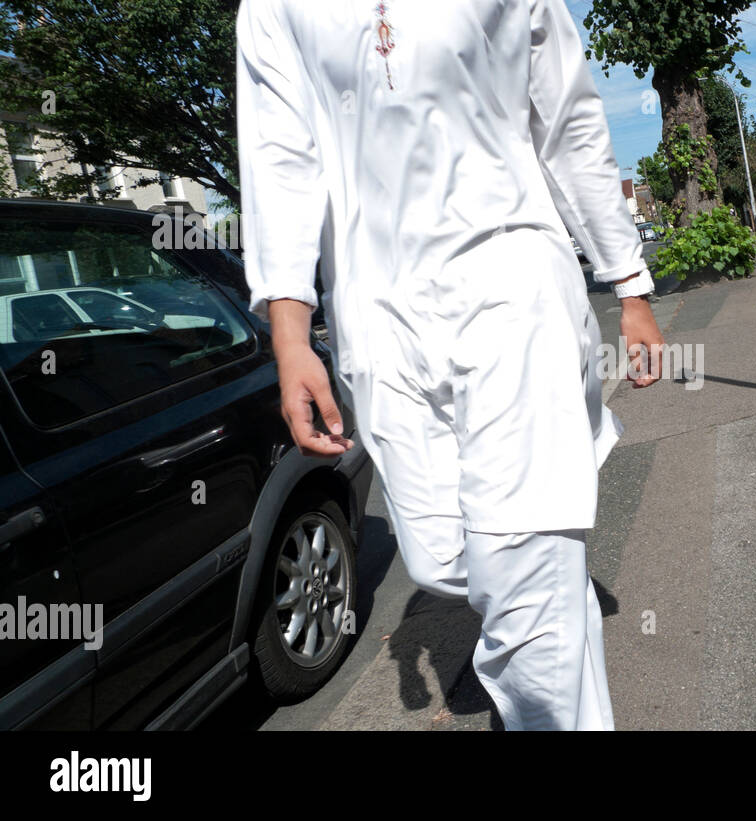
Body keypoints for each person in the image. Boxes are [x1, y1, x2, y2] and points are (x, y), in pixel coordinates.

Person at [235, 0, 664, 731]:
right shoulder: (272, 8)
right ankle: (546, 599)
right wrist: (290, 333)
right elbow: (281, 156)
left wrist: (630, 282)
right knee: (443, 562)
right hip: (377, 310)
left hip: (510, 280)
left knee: (525, 578)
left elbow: (568, 121)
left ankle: (548, 653)